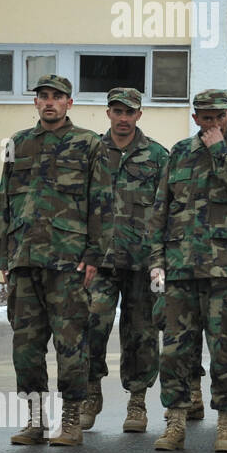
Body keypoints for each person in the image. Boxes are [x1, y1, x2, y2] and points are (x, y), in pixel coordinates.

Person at [0, 74, 108, 447]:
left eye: (57, 97)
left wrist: (94, 254)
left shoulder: (89, 144)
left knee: (70, 344)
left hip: (68, 262)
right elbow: (4, 203)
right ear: (36, 102)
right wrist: (4, 255)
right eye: (43, 96)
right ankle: (34, 418)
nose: (49, 103)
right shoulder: (18, 144)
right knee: (25, 346)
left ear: (69, 103)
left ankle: (72, 418)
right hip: (25, 260)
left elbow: (101, 204)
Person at [150, 90, 227, 453]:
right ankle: (175, 421)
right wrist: (156, 262)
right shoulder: (180, 153)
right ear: (196, 118)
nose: (213, 123)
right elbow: (160, 210)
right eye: (206, 117)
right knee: (175, 351)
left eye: (219, 117)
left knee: (225, 349)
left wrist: (220, 153)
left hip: (225, 271)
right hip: (180, 269)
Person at [84, 87, 168, 434]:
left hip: (142, 260)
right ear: (108, 114)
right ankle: (90, 393)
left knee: (142, 333)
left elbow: (167, 209)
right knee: (91, 326)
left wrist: (162, 259)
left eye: (128, 112)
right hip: (99, 260)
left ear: (139, 115)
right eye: (116, 111)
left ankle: (137, 400)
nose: (122, 118)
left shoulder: (158, 156)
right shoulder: (91, 153)